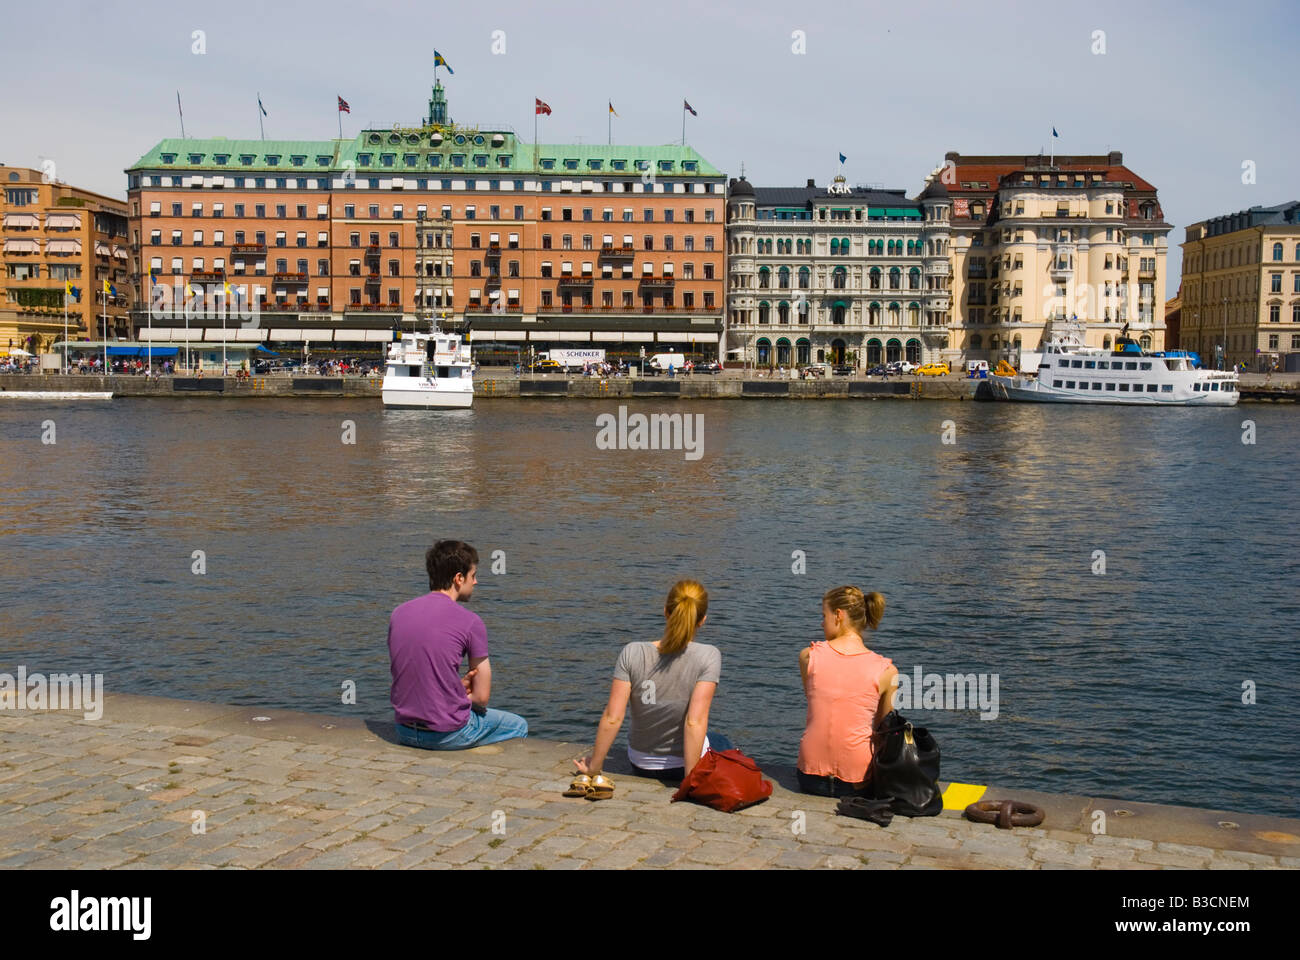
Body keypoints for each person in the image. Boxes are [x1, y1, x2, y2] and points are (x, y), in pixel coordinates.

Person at [573, 580, 730, 797]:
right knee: (722, 742)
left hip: (640, 762)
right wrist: (690, 781)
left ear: (666, 612)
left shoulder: (632, 651)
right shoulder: (709, 655)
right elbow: (694, 722)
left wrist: (594, 769)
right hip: (680, 768)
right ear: (702, 620)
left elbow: (612, 717)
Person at [388, 540, 528, 751]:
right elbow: (481, 698)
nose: (476, 582)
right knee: (518, 726)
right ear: (458, 578)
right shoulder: (471, 622)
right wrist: (457, 698)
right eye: (473, 576)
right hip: (447, 735)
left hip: (404, 730)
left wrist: (452, 690)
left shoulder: (398, 613)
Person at [796, 586, 897, 798]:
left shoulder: (808, 657)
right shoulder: (886, 671)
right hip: (857, 782)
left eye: (824, 616)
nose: (822, 623)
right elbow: (884, 730)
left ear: (839, 615)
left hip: (809, 777)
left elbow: (817, 702)